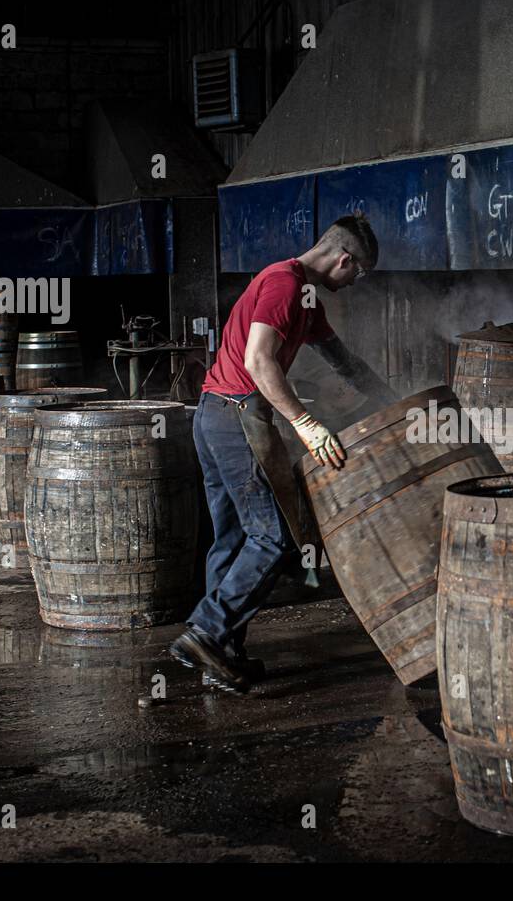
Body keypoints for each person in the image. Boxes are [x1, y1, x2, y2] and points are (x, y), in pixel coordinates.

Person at [170, 213, 397, 693]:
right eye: (359, 273)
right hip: (236, 418)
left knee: (231, 539)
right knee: (274, 537)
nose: (357, 282)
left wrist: (394, 404)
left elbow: (341, 359)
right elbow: (259, 359)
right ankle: (207, 631)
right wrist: (307, 424)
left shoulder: (305, 295)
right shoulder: (283, 284)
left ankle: (221, 656)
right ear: (343, 259)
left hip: (212, 414)